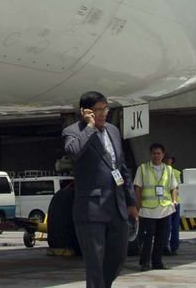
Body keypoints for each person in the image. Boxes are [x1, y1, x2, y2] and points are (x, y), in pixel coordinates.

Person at [63, 91, 138, 288]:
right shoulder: (73, 131)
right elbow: (73, 151)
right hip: (91, 209)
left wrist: (131, 202)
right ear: (85, 112)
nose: (103, 113)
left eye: (105, 108)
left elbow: (122, 168)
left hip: (117, 206)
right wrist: (89, 126)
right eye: (98, 110)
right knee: (94, 264)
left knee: (118, 258)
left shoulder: (113, 131)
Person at [133, 143, 178, 271]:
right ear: (150, 154)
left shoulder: (168, 170)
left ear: (163, 155)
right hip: (148, 209)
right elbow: (137, 188)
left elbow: (174, 187)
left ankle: (157, 262)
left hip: (164, 209)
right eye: (154, 153)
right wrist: (138, 204)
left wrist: (174, 201)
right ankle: (145, 262)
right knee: (148, 236)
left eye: (159, 153)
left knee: (161, 236)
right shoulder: (142, 169)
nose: (156, 156)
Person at [163, 155, 181, 255]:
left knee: (172, 225)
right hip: (170, 202)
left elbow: (175, 188)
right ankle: (167, 246)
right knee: (168, 226)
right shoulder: (163, 171)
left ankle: (172, 247)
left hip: (173, 202)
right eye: (166, 159)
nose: (167, 161)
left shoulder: (174, 172)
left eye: (169, 159)